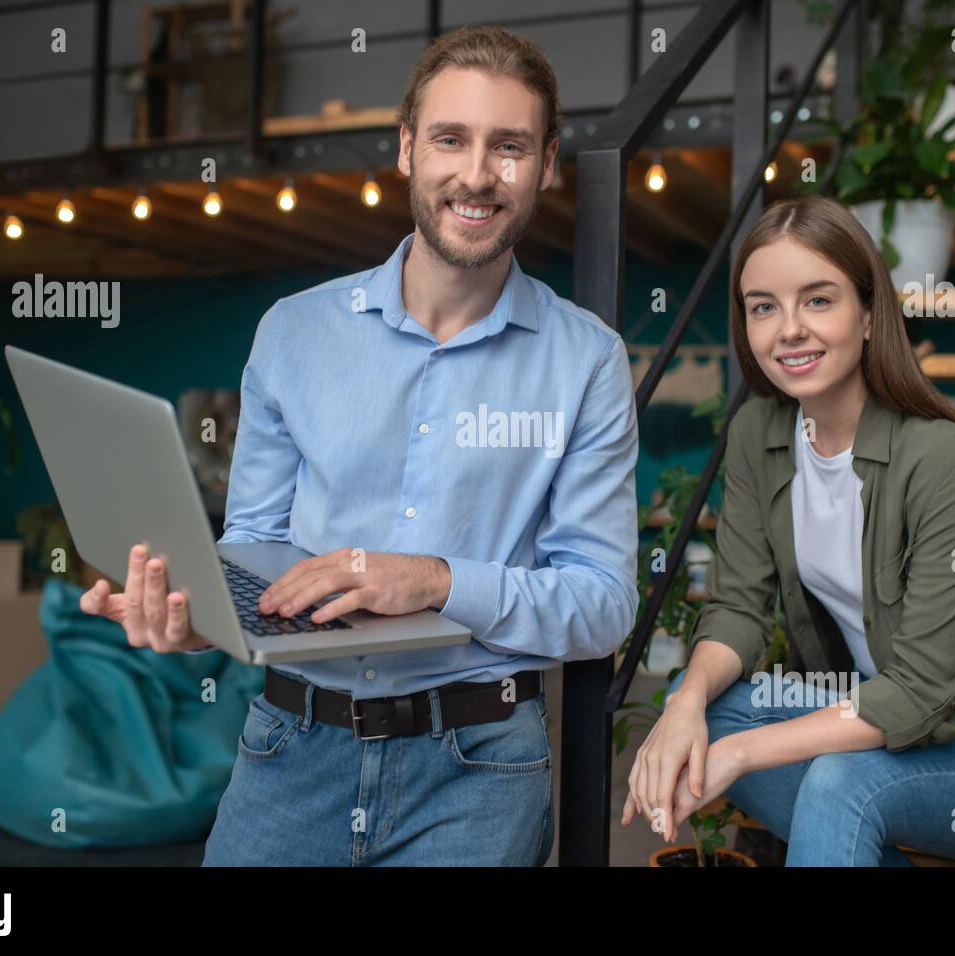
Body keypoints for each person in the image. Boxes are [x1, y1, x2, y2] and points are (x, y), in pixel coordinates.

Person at [79, 25, 639, 866]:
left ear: (548, 163)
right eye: (451, 139)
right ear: (409, 149)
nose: (479, 174)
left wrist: (434, 581)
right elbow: (256, 545)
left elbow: (602, 605)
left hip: (479, 768)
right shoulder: (294, 332)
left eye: (510, 146)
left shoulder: (587, 359)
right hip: (286, 752)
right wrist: (202, 615)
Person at [622, 195, 955, 866]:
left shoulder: (939, 454)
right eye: (763, 306)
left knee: (838, 779)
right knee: (711, 709)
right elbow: (738, 607)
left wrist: (741, 753)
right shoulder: (757, 434)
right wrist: (684, 705)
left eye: (818, 300)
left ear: (869, 315)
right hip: (884, 730)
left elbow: (924, 692)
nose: (788, 329)